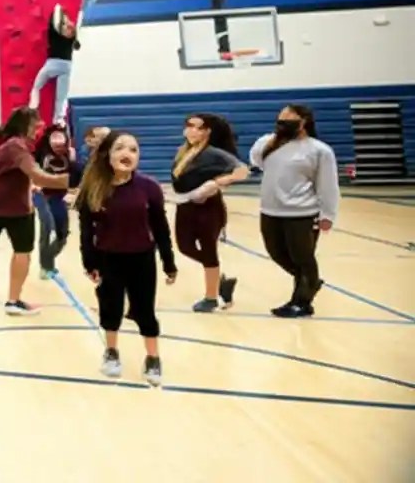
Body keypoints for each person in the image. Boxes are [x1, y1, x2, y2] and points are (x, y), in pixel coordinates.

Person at [77, 131, 177, 387]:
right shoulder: (94, 188)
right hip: (108, 259)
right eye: (120, 148)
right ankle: (111, 352)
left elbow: (161, 227)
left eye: (133, 149)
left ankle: (153, 358)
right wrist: (90, 262)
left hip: (142, 259)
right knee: (111, 309)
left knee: (145, 311)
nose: (127, 154)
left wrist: (168, 261)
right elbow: (87, 231)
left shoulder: (149, 187)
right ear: (107, 155)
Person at [0, 107, 68, 314]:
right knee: (21, 250)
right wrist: (69, 181)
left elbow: (26, 177)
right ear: (26, 125)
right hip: (8, 207)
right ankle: (13, 301)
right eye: (37, 123)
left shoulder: (14, 145)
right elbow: (37, 175)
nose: (40, 127)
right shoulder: (17, 147)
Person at [249, 104, 340, 318]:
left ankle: (302, 301)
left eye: (288, 121)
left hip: (302, 213)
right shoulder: (268, 144)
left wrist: (328, 214)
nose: (282, 125)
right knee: (276, 252)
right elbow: (256, 160)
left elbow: (328, 185)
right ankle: (311, 280)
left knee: (302, 256)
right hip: (270, 210)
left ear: (304, 122)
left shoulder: (319, 150)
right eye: (280, 121)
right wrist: (272, 140)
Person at [170, 113, 249, 312]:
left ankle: (211, 297)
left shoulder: (214, 153)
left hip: (208, 208)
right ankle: (220, 279)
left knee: (208, 250)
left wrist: (216, 183)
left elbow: (242, 170)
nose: (191, 130)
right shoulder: (183, 152)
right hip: (185, 206)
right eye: (188, 125)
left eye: (197, 127)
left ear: (207, 132)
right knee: (184, 246)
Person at [35, 124, 75, 279]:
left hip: (59, 197)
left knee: (62, 233)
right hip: (42, 195)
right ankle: (45, 266)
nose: (59, 148)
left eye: (61, 145)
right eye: (55, 144)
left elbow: (76, 174)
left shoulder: (70, 156)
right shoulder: (42, 155)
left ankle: (47, 260)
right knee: (46, 229)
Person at [29, 4, 80, 124]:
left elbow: (55, 19)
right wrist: (73, 32)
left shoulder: (55, 32)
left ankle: (32, 108)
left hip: (53, 64)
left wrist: (59, 9)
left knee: (37, 86)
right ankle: (59, 119)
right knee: (61, 97)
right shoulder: (71, 36)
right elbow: (77, 46)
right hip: (67, 66)